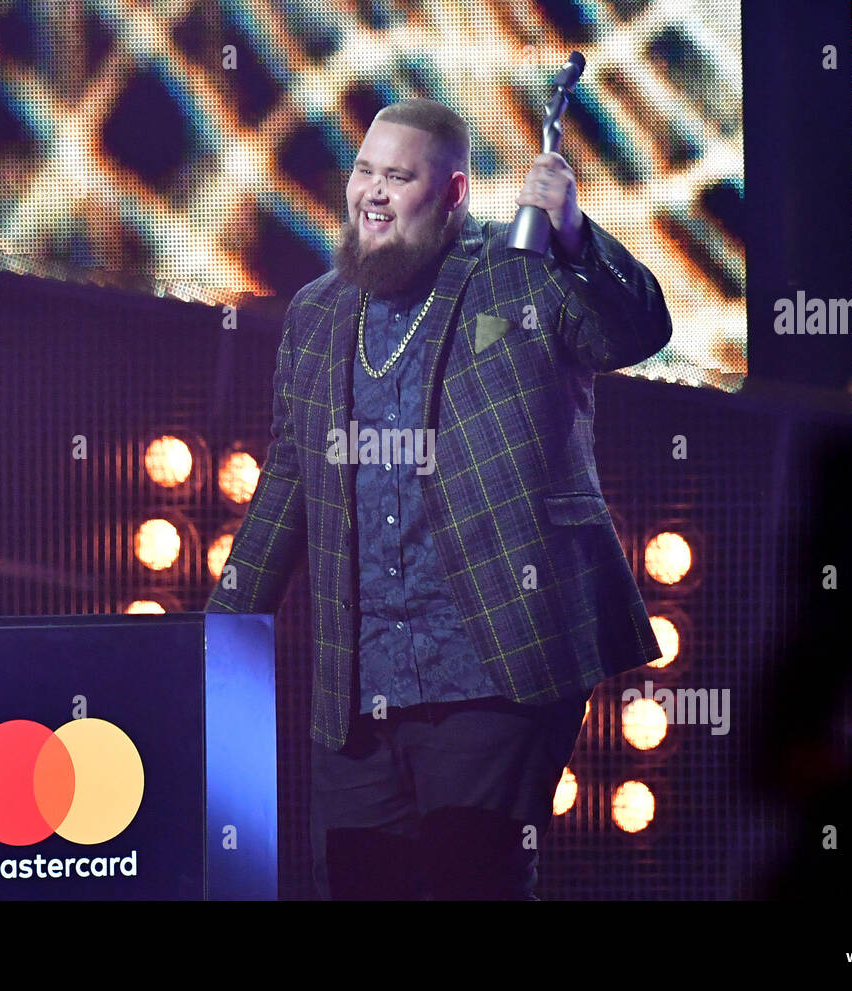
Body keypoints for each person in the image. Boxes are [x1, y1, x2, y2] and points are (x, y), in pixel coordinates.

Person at [206, 97, 672, 899]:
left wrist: (573, 235)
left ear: (453, 195)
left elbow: (636, 330)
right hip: (358, 682)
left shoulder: (516, 267)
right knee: (358, 883)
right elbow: (289, 476)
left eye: (399, 176)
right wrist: (217, 629)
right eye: (364, 172)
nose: (373, 193)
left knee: (474, 878)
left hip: (498, 661)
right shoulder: (318, 313)